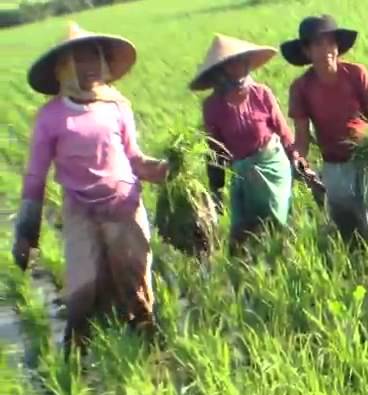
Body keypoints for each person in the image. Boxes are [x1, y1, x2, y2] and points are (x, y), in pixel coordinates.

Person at [12, 23, 169, 359]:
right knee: (83, 287)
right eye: (81, 61)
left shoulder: (116, 105)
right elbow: (35, 177)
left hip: (124, 204)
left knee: (135, 280)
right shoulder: (50, 117)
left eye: (95, 59)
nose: (91, 67)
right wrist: (26, 231)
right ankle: (77, 357)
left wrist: (165, 172)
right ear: (64, 68)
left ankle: (146, 348)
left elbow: (134, 158)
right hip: (81, 210)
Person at [192, 34, 320, 255]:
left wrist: (300, 162)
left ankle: (284, 258)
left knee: (274, 224)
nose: (240, 67)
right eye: (232, 63)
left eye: (242, 61)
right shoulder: (212, 106)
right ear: (221, 69)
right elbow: (216, 151)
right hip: (243, 173)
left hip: (272, 165)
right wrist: (216, 189)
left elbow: (283, 131)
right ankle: (249, 271)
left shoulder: (261, 93)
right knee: (243, 233)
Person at [281, 14, 368, 245]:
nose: (326, 49)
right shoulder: (301, 88)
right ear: (307, 52)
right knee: (352, 233)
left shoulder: (356, 74)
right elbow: (302, 138)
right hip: (335, 164)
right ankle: (362, 271)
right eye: (317, 44)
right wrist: (298, 160)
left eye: (330, 42)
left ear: (338, 47)